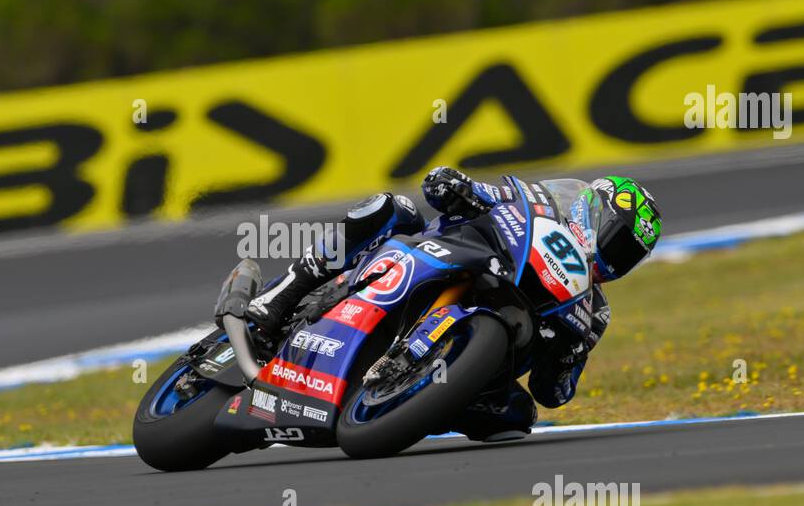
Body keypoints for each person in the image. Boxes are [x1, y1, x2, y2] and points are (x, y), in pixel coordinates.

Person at [246, 166, 663, 440]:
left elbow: (553, 393)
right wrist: (454, 184)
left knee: (518, 419)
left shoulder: (594, 313)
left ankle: (417, 402)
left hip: (482, 355)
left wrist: (568, 358)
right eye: (616, 239)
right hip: (439, 257)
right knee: (392, 208)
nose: (615, 255)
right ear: (591, 212)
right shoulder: (538, 204)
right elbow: (450, 187)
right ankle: (281, 295)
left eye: (627, 253)